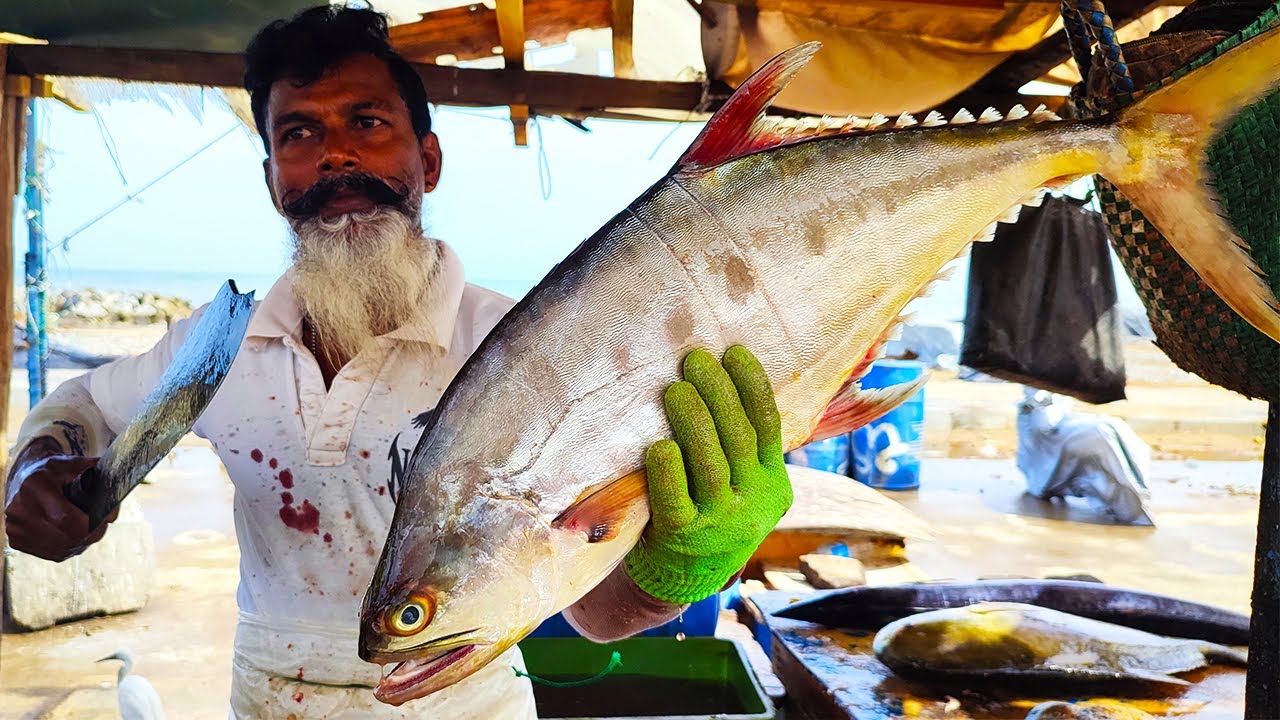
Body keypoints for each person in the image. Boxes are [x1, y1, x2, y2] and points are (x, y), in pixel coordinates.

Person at [2, 5, 793, 718]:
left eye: (368, 122)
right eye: (299, 134)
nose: (336, 154)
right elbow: (83, 409)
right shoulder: (215, 346)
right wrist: (35, 468)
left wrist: (686, 563)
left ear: (430, 160)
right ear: (275, 179)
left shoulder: (524, 347)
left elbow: (592, 614)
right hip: (266, 699)